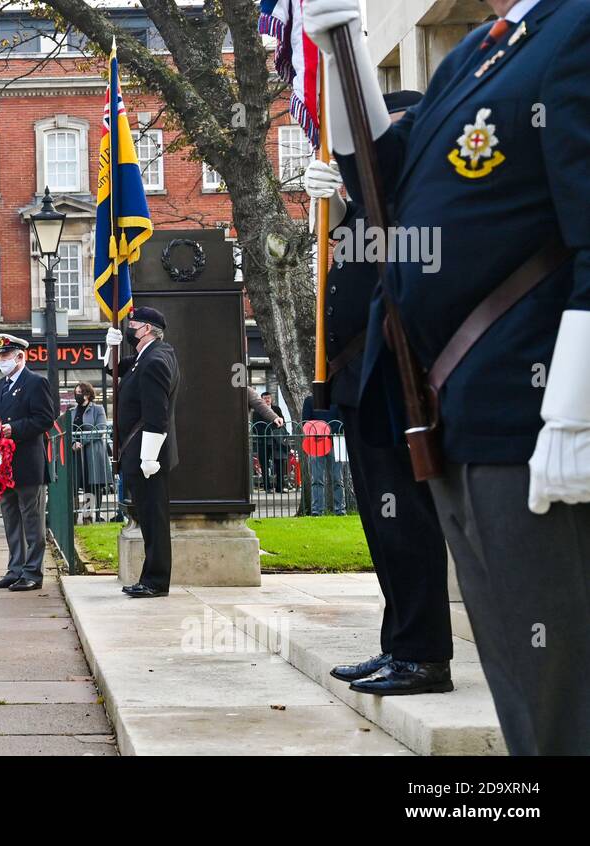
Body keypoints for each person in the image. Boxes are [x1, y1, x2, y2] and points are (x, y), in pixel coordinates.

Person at [306, 0, 590, 752]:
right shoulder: (477, 54)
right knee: (515, 669)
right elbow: (383, 180)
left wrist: (575, 408)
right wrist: (345, 55)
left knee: (562, 673)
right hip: (454, 405)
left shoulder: (576, 28)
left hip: (527, 402)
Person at [303, 108, 455, 696]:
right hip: (359, 382)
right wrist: (338, 206)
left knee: (407, 523)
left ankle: (424, 656)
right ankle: (400, 645)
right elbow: (354, 255)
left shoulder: (412, 198)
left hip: (394, 381)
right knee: (382, 525)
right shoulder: (372, 202)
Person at [105, 307, 180, 598]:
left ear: (146, 329)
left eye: (132, 324)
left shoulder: (155, 361)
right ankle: (151, 578)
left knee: (154, 518)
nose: (129, 327)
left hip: (147, 456)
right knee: (149, 517)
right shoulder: (145, 357)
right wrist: (109, 346)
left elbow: (156, 414)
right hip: (139, 453)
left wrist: (148, 457)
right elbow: (113, 370)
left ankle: (156, 581)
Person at [0, 333, 57, 592]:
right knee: (11, 519)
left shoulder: (36, 383)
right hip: (3, 467)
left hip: (27, 463)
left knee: (31, 520)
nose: (1, 359)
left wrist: (17, 428)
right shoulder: (0, 386)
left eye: (5, 355)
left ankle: (33, 572)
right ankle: (15, 569)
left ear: (20, 356)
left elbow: (46, 418)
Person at [301, 392, 347, 516]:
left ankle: (340, 511)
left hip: (334, 442)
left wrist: (328, 430)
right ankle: (317, 511)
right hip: (316, 443)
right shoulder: (310, 400)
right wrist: (322, 430)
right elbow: (305, 422)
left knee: (338, 479)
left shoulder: (337, 400)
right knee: (316, 479)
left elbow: (342, 420)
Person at [71, 381, 110, 522]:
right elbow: (69, 431)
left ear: (87, 394)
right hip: (76, 454)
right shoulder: (72, 411)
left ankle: (88, 516)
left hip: (93, 453)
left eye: (79, 393)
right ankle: (73, 517)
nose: (77, 395)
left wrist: (81, 440)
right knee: (74, 485)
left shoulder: (98, 409)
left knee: (92, 485)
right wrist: (73, 443)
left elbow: (100, 429)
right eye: (75, 393)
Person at [252, 390, 287, 493]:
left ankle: (280, 487)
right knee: (264, 464)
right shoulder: (257, 411)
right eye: (265, 398)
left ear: (271, 399)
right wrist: (268, 430)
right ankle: (267, 487)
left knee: (279, 463)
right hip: (263, 441)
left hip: (277, 441)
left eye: (269, 398)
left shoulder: (276, 409)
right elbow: (256, 427)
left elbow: (282, 422)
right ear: (261, 400)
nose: (267, 400)